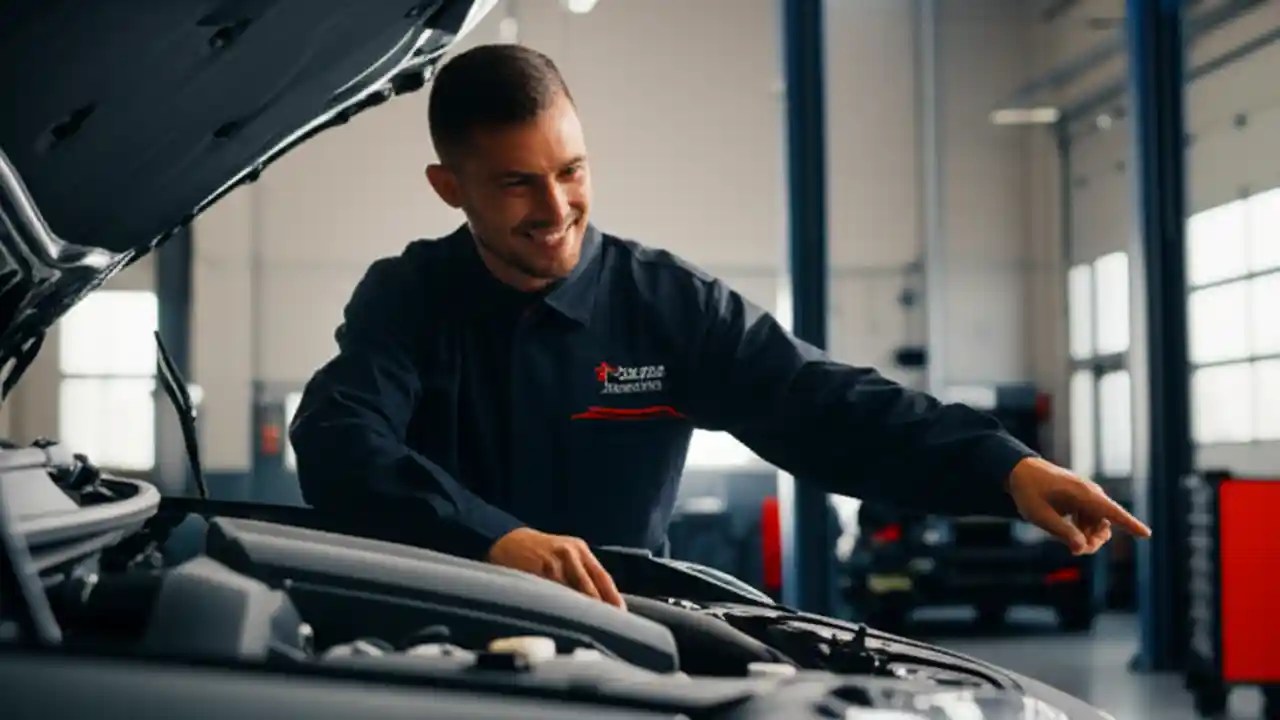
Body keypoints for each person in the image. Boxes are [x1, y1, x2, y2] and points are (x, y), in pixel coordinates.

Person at [290, 43, 1150, 610]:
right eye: (518, 184)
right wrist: (495, 540)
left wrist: (1004, 466)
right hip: (441, 635)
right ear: (450, 188)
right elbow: (340, 438)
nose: (557, 208)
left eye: (573, 170)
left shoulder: (668, 306)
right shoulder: (407, 298)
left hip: (627, 636)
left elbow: (824, 402)